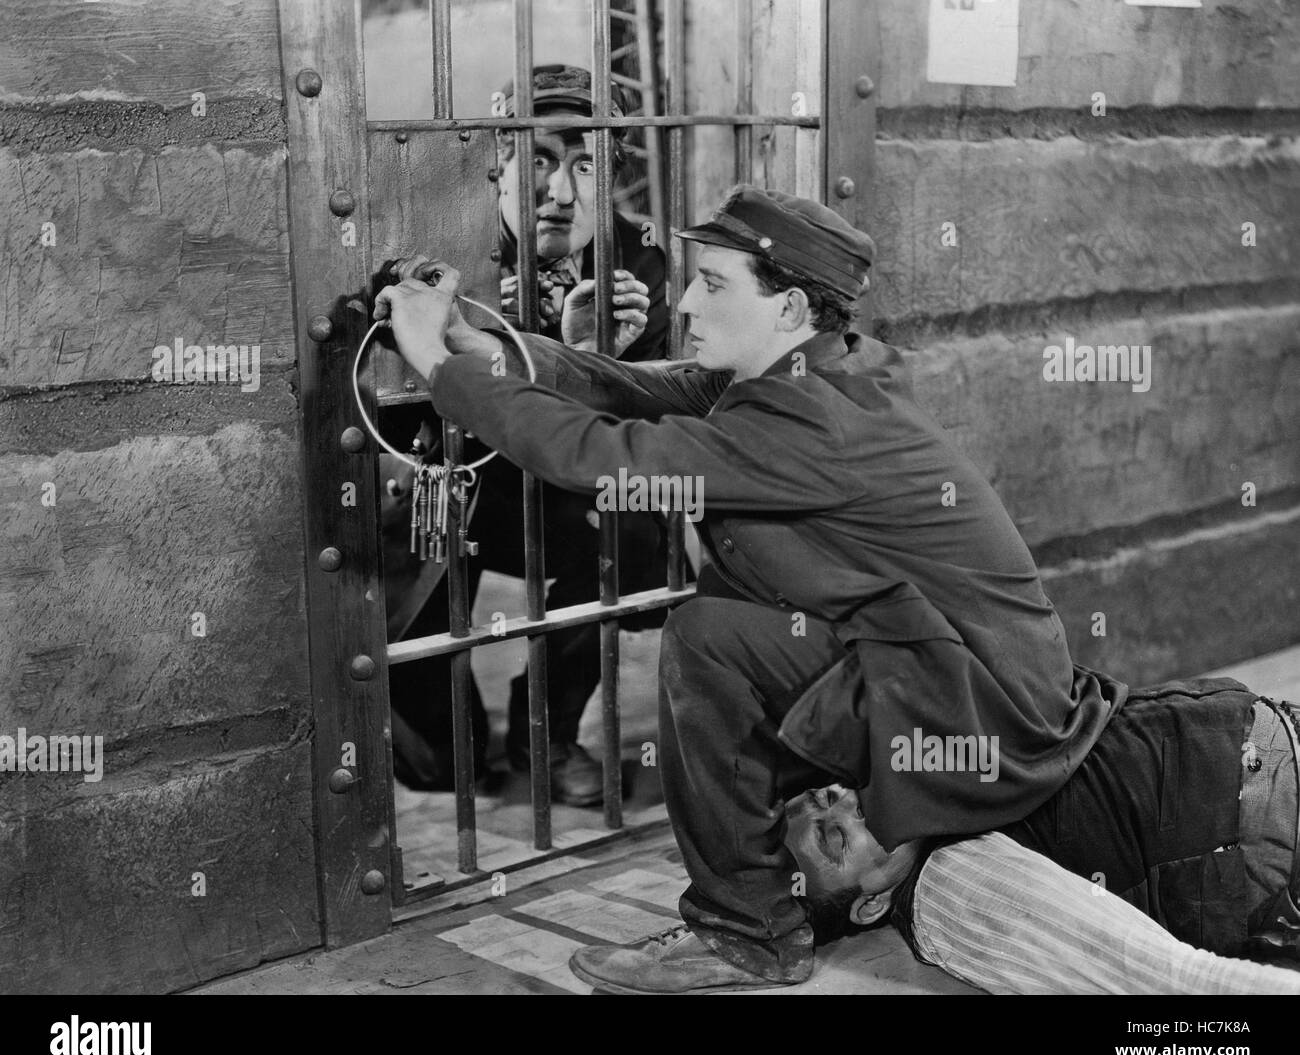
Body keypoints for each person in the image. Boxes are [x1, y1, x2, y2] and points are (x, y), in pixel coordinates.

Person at [374, 184, 1122, 992]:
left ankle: (748, 932)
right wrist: (474, 334)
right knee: (739, 617)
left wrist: (435, 366)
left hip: (984, 716)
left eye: (715, 284)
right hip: (944, 672)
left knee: (711, 639)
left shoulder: (809, 419)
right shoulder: (807, 371)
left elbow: (602, 454)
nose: (688, 301)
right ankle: (773, 888)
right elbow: (621, 387)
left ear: (792, 306)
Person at [382, 64, 672, 806]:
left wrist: (591, 360)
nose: (561, 192)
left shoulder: (635, 257)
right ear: (497, 166)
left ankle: (548, 724)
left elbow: (648, 424)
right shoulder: (449, 246)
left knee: (632, 518)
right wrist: (513, 343)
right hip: (457, 482)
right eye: (538, 159)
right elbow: (403, 401)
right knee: (444, 766)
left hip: (556, 480)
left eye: (585, 164)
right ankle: (428, 712)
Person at [773, 683, 1300, 994]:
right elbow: (1164, 977)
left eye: (826, 796)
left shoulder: (917, 774)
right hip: (1270, 806)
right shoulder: (949, 888)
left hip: (1263, 753)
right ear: (870, 906)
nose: (850, 804)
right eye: (837, 839)